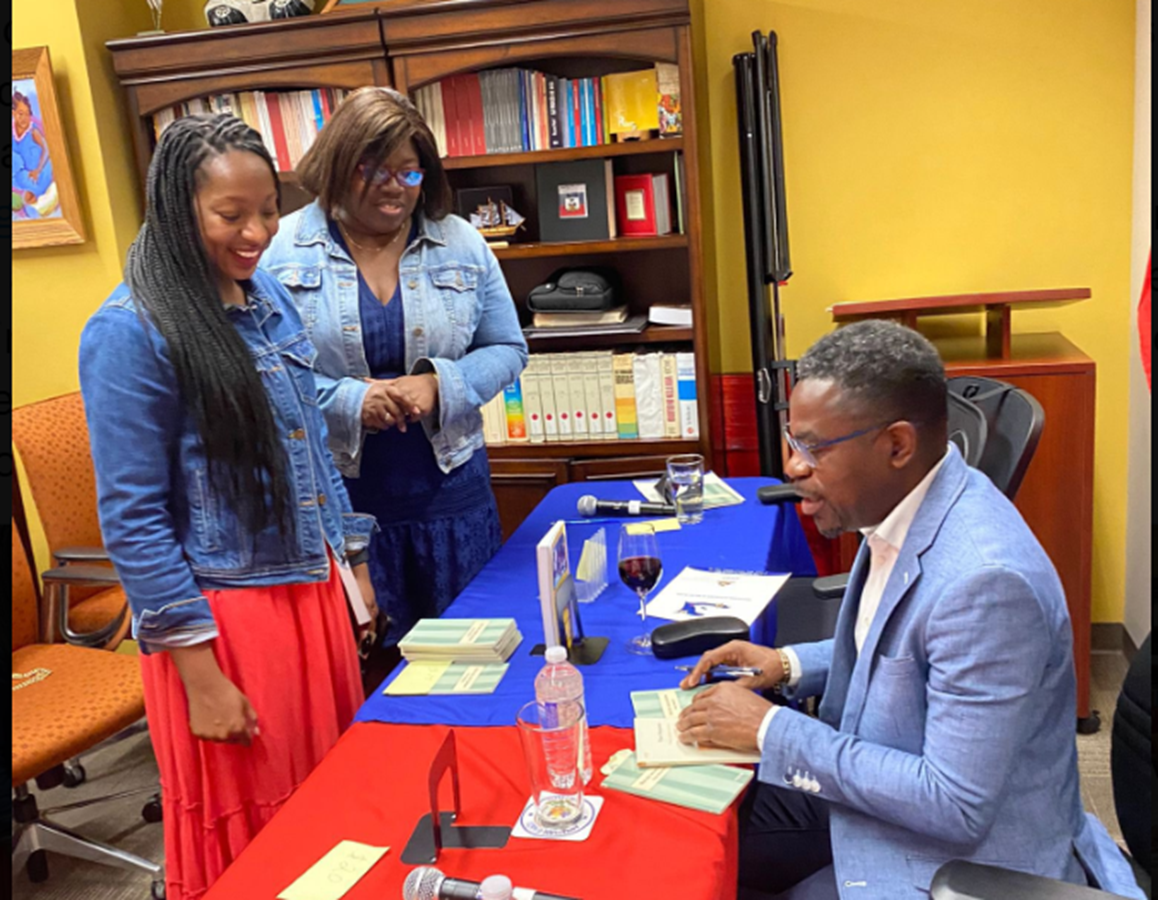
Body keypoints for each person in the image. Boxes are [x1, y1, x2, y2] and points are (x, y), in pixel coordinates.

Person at [675, 320, 1143, 900]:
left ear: (897, 445)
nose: (794, 468)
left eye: (813, 448)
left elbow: (954, 803)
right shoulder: (909, 503)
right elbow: (900, 645)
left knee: (704, 874)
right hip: (880, 793)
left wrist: (770, 727)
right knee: (689, 831)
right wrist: (789, 664)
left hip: (955, 861)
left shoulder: (986, 583)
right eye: (794, 443)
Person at [79, 115, 378, 900]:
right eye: (231, 215)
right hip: (226, 619)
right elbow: (133, 518)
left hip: (307, 587)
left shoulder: (266, 295)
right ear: (178, 209)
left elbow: (309, 442)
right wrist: (201, 677)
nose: (257, 232)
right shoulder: (128, 332)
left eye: (268, 210)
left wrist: (353, 561)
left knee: (327, 804)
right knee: (260, 821)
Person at [263, 87, 528, 646]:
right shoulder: (279, 250)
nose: (395, 189)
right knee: (366, 669)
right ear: (337, 167)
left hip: (450, 492)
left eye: (410, 174)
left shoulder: (463, 244)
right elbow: (259, 372)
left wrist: (441, 383)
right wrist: (345, 400)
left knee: (469, 657)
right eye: (375, 172)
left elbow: (508, 347)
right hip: (340, 499)